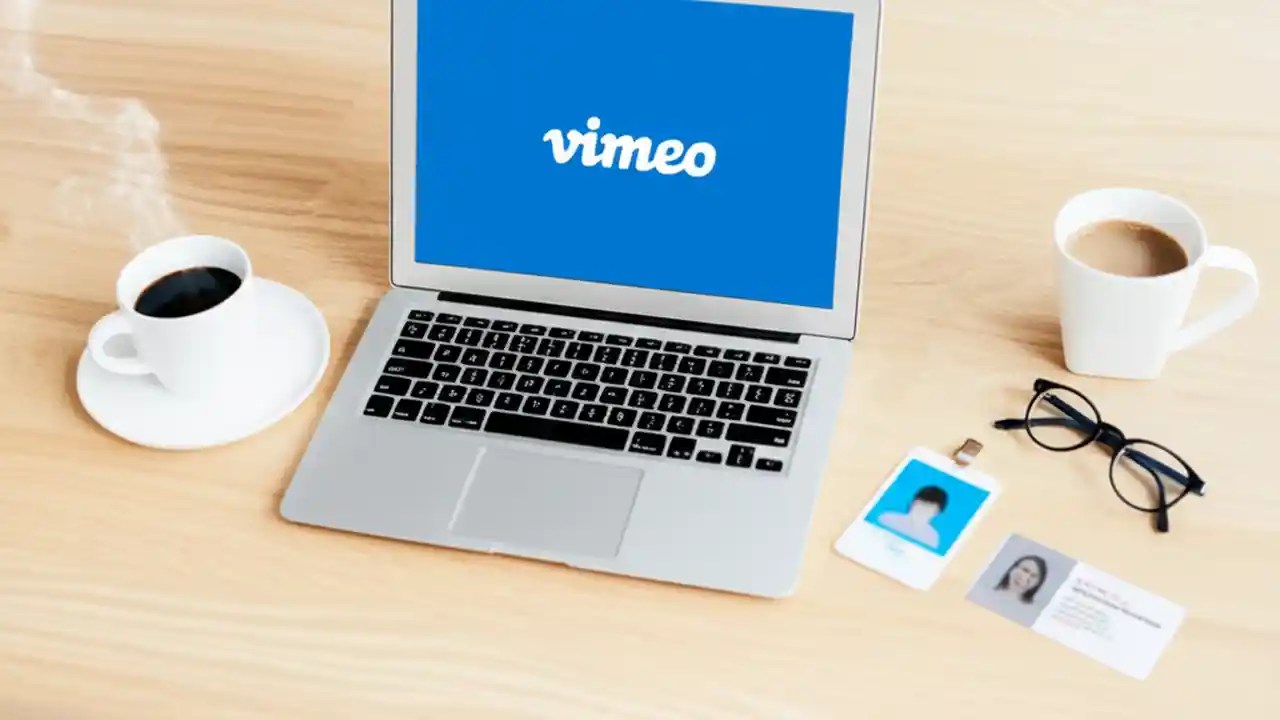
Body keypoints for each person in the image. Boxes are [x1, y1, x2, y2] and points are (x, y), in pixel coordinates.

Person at [877, 485, 948, 549]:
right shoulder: (887, 519)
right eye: (921, 504)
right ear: (912, 503)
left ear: (936, 513)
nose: (922, 511)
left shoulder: (932, 537)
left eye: (929, 508)